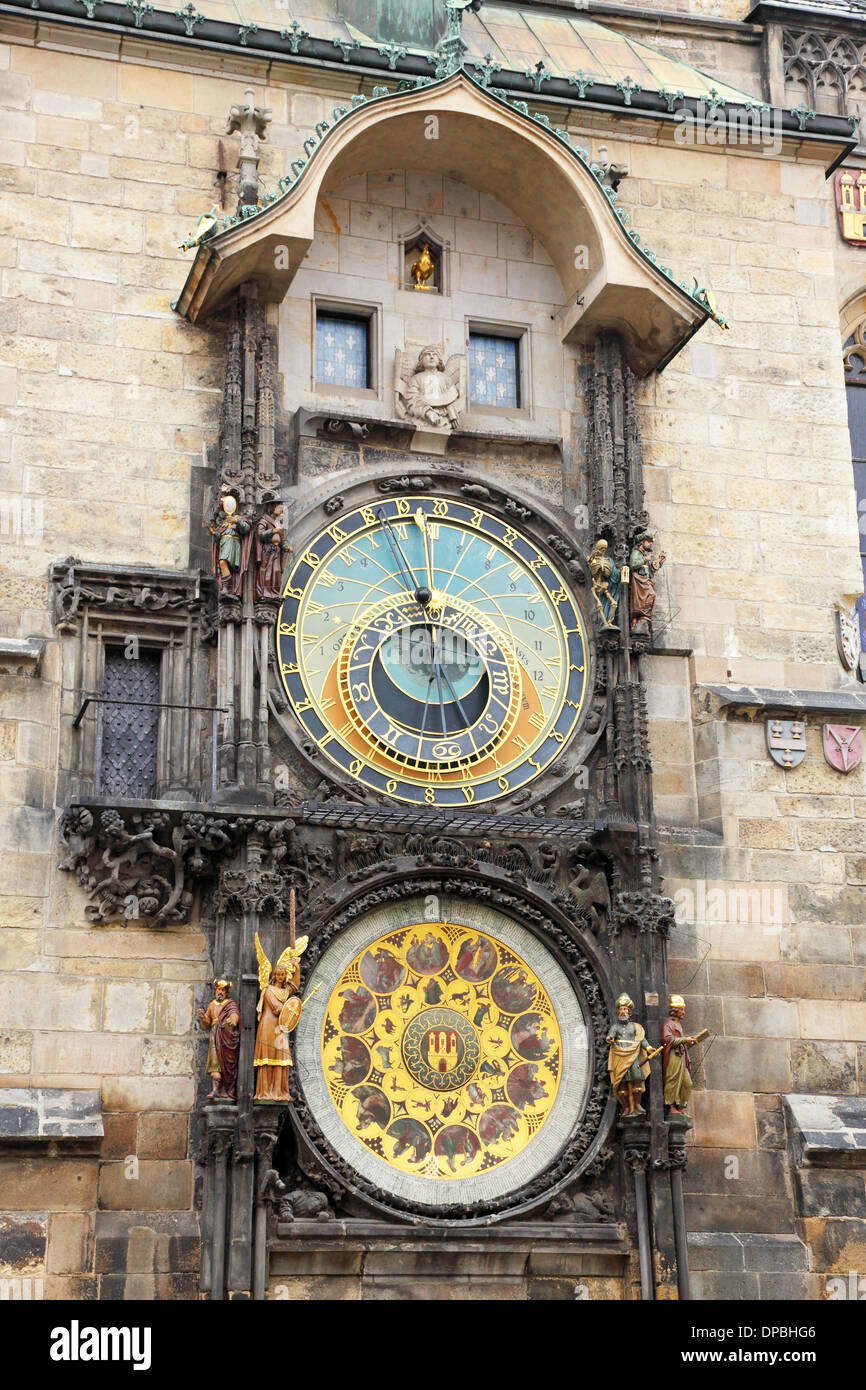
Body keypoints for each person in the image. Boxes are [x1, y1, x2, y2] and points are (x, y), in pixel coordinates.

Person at [606, 993, 651, 1115]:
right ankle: (626, 1106)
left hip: (633, 1055)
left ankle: (637, 1104)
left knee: (637, 1079)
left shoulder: (635, 1027)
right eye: (621, 1009)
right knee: (622, 1082)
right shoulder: (616, 1027)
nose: (623, 1012)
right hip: (619, 1054)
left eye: (625, 1009)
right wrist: (610, 1038)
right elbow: (610, 1035)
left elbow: (641, 1039)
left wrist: (649, 1048)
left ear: (629, 1011)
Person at [197, 978, 240, 1100]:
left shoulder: (230, 1004)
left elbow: (234, 1014)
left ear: (226, 992)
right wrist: (202, 1018)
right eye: (218, 989)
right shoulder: (211, 1005)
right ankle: (216, 1090)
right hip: (214, 1035)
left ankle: (227, 1089)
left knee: (227, 1063)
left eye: (222, 990)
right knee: (215, 1062)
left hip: (226, 1036)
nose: (220, 992)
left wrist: (233, 1019)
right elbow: (206, 1025)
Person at [662, 994, 701, 1114]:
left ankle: (680, 1105)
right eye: (681, 1009)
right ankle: (671, 1106)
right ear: (675, 1011)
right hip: (674, 1056)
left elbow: (681, 1041)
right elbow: (667, 1039)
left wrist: (691, 1041)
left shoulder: (678, 1025)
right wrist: (685, 1039)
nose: (683, 1012)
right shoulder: (669, 1023)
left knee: (687, 1083)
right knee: (673, 1079)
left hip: (681, 1055)